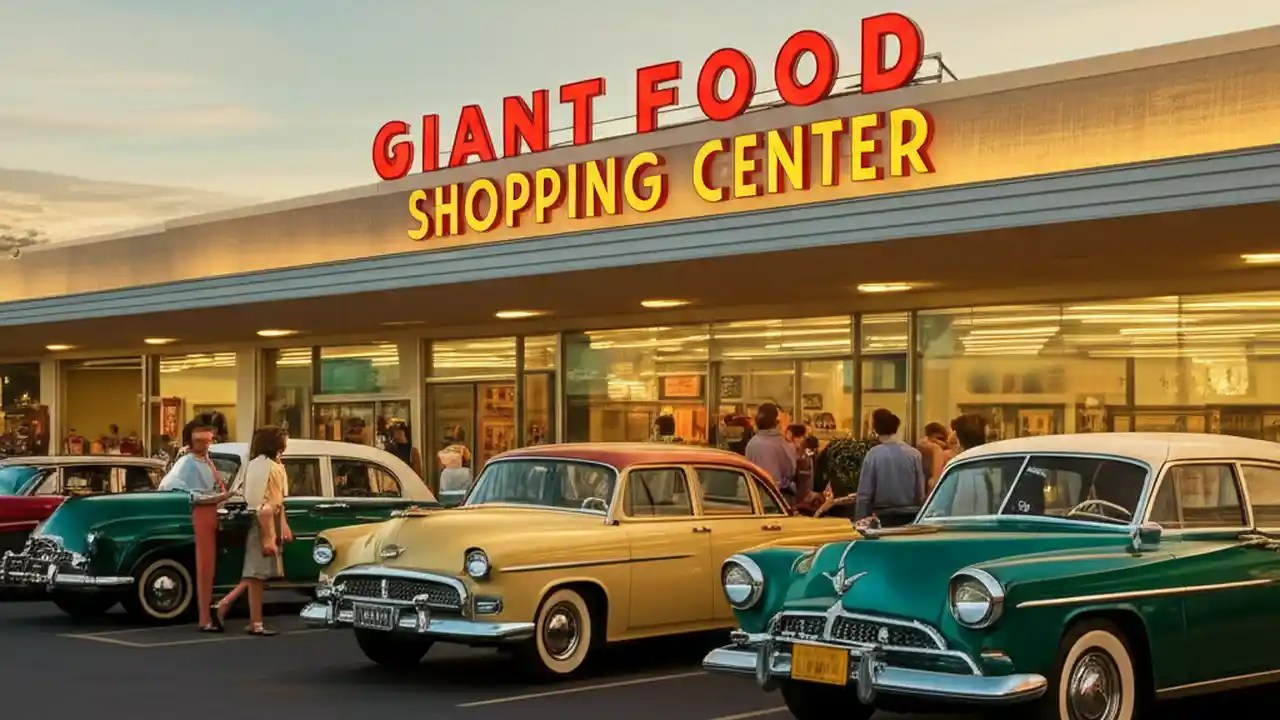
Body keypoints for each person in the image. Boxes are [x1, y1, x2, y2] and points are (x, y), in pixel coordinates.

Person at [212, 426, 292, 636]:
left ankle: (255, 621)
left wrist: (281, 524)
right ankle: (225, 603)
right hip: (264, 519)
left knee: (257, 574)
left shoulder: (268, 464)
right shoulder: (263, 466)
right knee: (256, 572)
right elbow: (259, 502)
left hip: (268, 517)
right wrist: (270, 534)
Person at [158, 423, 229, 632]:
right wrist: (203, 496)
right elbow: (168, 485)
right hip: (200, 512)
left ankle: (208, 613)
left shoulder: (206, 460)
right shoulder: (187, 462)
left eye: (208, 440)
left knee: (210, 567)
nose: (205, 444)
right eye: (200, 441)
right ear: (190, 440)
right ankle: (204, 617)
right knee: (204, 567)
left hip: (211, 511)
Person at [854, 409, 926, 527]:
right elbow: (920, 492)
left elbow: (864, 494)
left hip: (883, 517)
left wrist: (860, 520)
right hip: (911, 516)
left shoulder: (873, 455)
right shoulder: (914, 454)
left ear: (875, 427)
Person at [745, 403, 796, 498]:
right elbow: (791, 470)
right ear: (776, 421)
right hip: (778, 495)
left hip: (757, 493)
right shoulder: (782, 444)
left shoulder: (752, 443)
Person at [916, 422, 950, 492]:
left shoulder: (946, 455)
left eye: (943, 440)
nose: (940, 443)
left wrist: (936, 449)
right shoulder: (917, 455)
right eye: (938, 439)